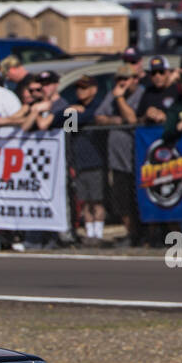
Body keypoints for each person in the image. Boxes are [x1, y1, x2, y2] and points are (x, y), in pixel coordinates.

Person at [94, 63, 144, 247]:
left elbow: (131, 119)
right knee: (122, 200)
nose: (121, 83)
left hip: (138, 158)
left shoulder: (139, 94)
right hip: (117, 159)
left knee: (138, 199)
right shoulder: (112, 95)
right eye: (119, 79)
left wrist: (120, 100)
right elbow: (99, 117)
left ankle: (144, 235)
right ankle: (131, 234)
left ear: (135, 79)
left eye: (126, 79)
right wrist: (113, 119)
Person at [66, 76, 107, 244]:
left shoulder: (97, 106)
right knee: (84, 202)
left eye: (84, 88)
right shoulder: (75, 106)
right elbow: (69, 126)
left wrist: (77, 112)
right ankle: (90, 233)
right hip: (79, 162)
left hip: (95, 162)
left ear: (93, 90)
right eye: (78, 88)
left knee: (96, 200)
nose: (80, 92)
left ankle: (98, 233)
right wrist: (73, 112)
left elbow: (92, 117)